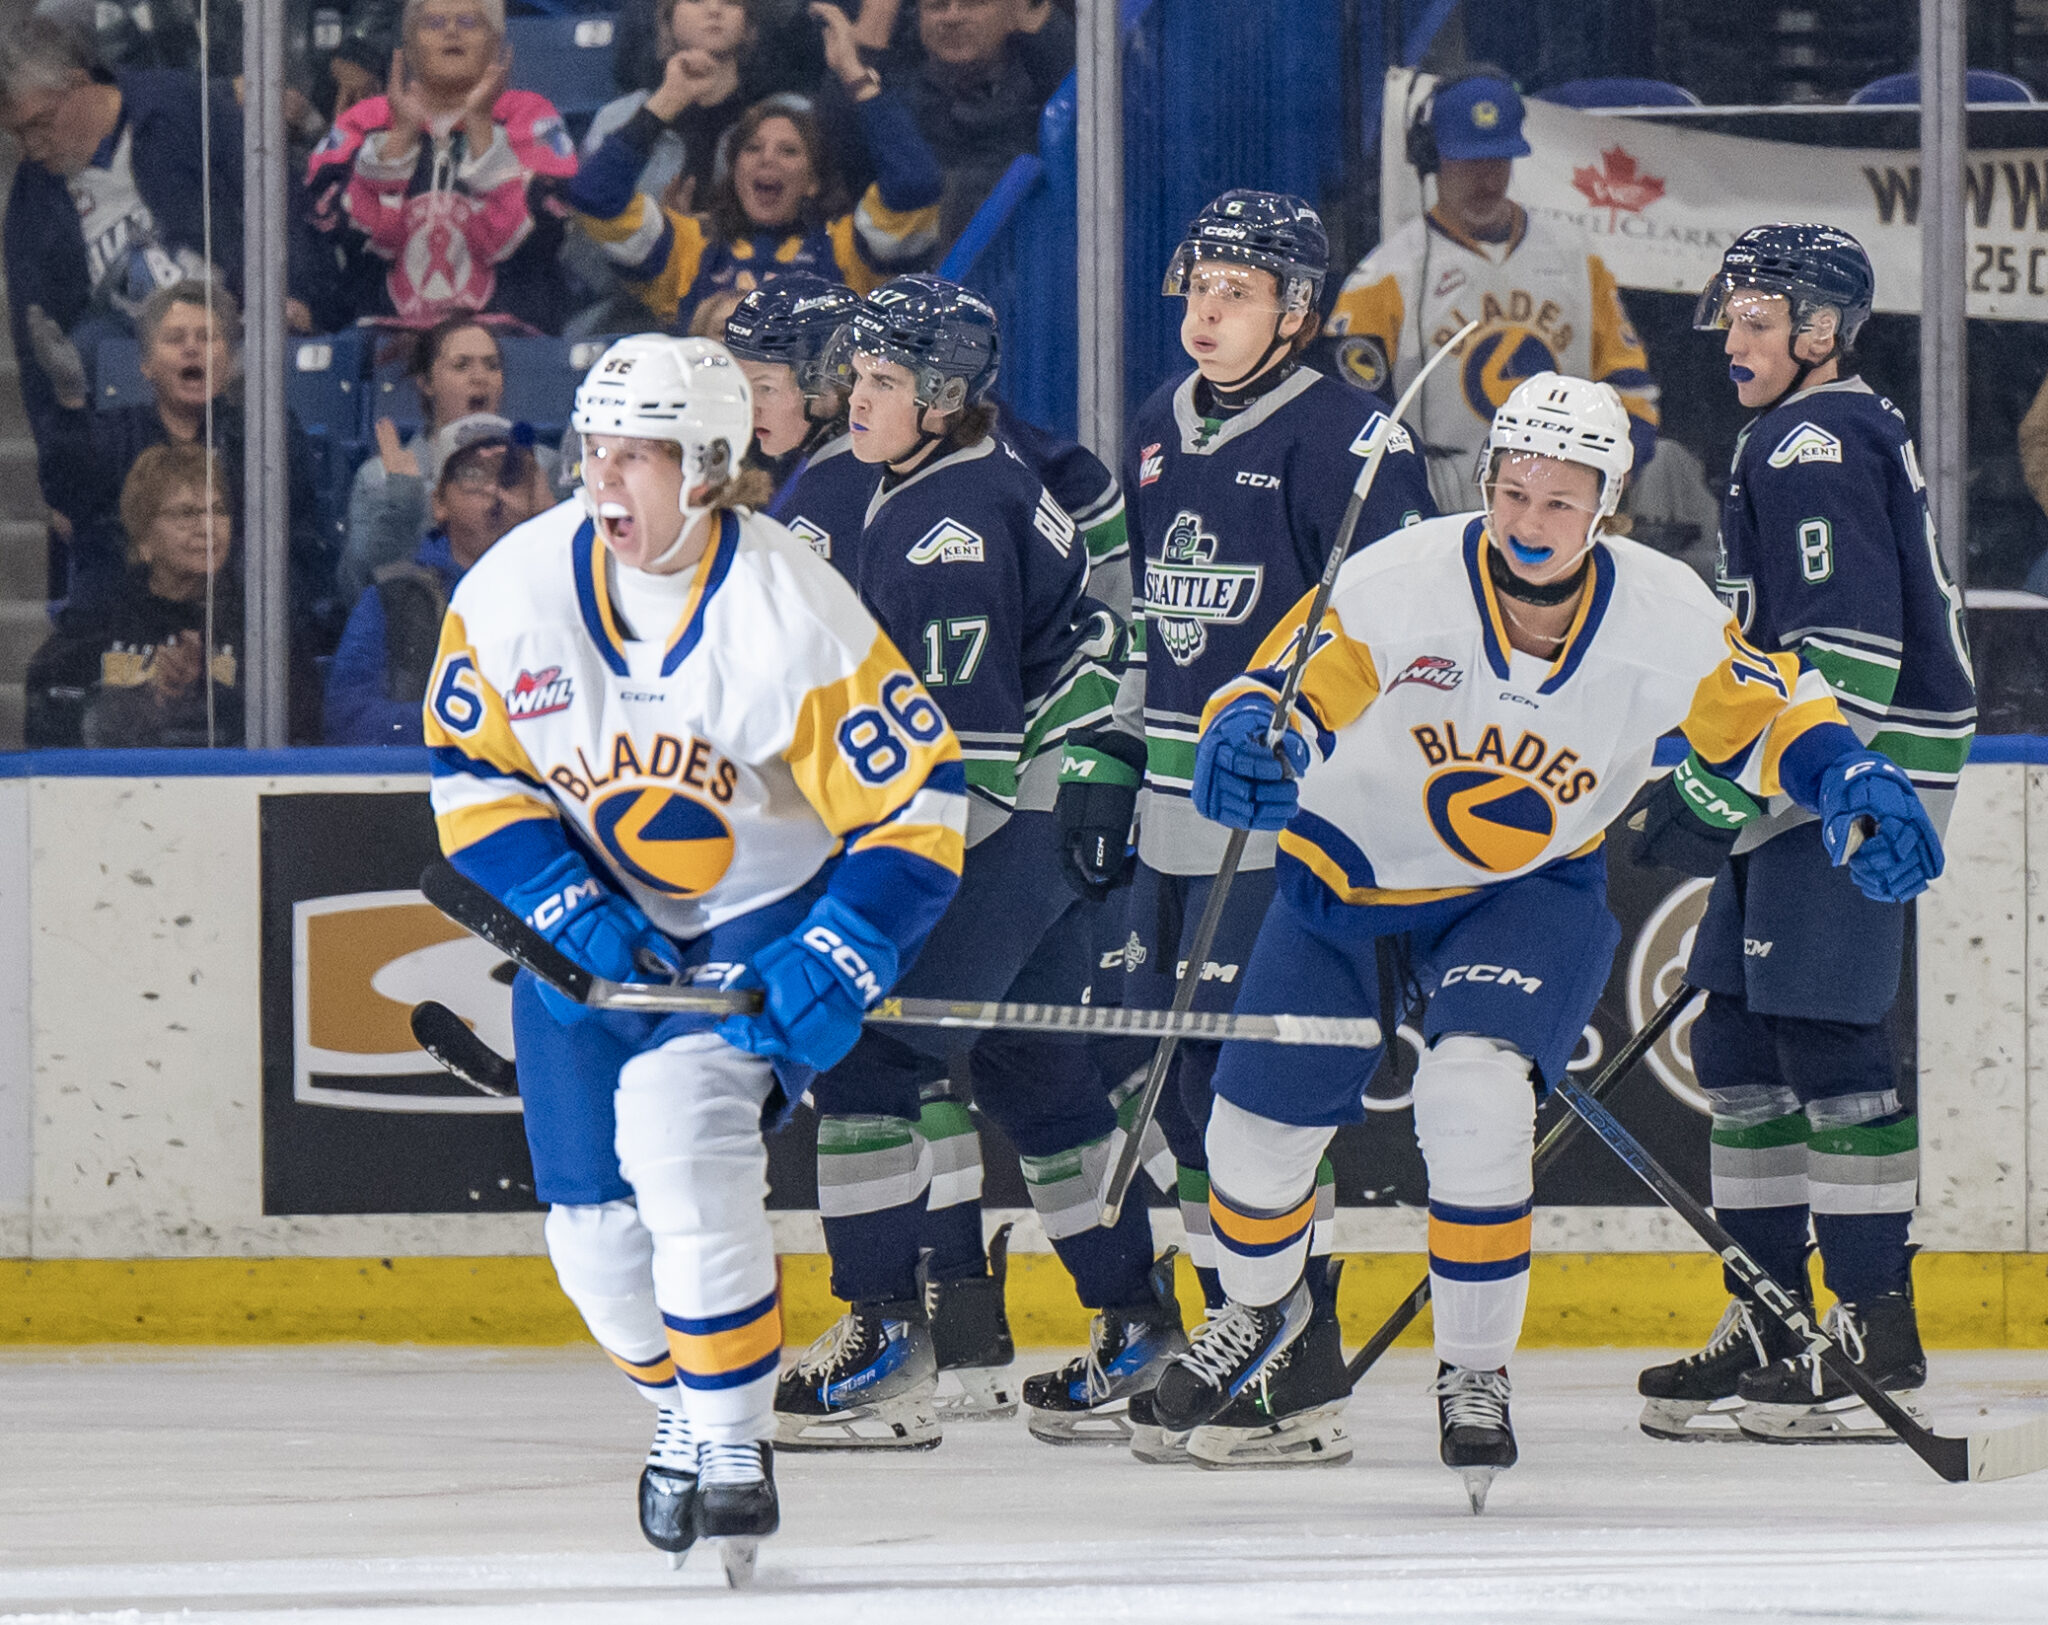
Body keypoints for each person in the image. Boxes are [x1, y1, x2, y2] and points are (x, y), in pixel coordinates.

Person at [1153, 371, 1945, 1509]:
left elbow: (1772, 713)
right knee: (1248, 1144)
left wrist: (1853, 777)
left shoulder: (1662, 612)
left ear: (1607, 505)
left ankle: (1472, 1371)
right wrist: (1247, 735)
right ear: (1485, 484)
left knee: (1471, 1098)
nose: (1530, 522)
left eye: (1560, 501)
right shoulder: (1397, 581)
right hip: (1341, 882)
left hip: (1520, 892)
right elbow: (1286, 686)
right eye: (1512, 492)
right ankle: (1258, 1310)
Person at [424, 334, 965, 1570]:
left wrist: (839, 945)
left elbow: (918, 807)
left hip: (750, 917)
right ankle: (686, 1394)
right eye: (595, 448)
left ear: (712, 466)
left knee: (682, 1134)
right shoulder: (512, 594)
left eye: (643, 454)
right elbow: (474, 777)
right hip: (589, 932)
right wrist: (557, 902)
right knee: (594, 1246)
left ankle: (731, 1436)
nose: (607, 478)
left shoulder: (790, 609)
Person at [1057, 189, 1434, 1464]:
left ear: (1300, 313)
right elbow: (1149, 624)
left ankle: (1294, 1353)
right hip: (1168, 821)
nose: (1204, 314)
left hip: (1289, 832)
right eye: (1197, 289)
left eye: (1236, 293)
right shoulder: (1158, 428)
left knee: (1251, 1099)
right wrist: (1110, 751)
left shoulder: (1355, 440)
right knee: (1169, 1096)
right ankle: (1244, 1327)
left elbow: (1401, 645)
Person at [769, 275, 1169, 1452]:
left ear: (943, 398)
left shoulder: (957, 521)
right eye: (859, 375)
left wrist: (867, 890)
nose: (857, 397)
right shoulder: (920, 480)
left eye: (886, 381)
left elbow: (964, 771)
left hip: (1003, 814)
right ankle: (1136, 1325)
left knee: (866, 1049)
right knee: (1038, 1074)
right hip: (1029, 809)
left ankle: (886, 1338)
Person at [1633, 225, 1977, 1445]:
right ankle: (1774, 1311)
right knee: (1735, 1042)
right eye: (1726, 317)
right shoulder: (1794, 431)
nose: (1730, 337)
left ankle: (1875, 1320)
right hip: (1804, 764)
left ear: (1820, 330)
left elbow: (1846, 656)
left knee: (1825, 1041)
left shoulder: (1813, 440)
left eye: (1754, 318)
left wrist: (1729, 791)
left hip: (1851, 775)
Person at [0, 17, 329, 568]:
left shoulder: (184, 110)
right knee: (80, 349)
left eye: (43, 123)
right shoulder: (33, 204)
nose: (34, 148)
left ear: (80, 82)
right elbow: (40, 349)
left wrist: (300, 294)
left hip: (233, 322)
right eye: (18, 136)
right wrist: (58, 479)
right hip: (128, 383)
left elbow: (277, 207)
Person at [1326, 69, 1659, 512]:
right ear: (1433, 159)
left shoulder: (1576, 256)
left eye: (1497, 160)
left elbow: (1629, 382)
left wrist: (1621, 465)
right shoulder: (1386, 276)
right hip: (1434, 501)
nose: (1486, 180)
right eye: (1469, 162)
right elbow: (1345, 412)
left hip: (1558, 499)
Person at [569, 52, 942, 336]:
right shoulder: (687, 247)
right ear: (733, 172)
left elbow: (915, 184)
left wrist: (857, 79)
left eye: (789, 151)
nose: (768, 160)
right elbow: (595, 194)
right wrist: (669, 98)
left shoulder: (848, 246)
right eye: (752, 149)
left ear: (814, 181)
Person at [35, 281, 333, 616]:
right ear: (146, 364)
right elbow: (67, 494)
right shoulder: (114, 432)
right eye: (175, 338)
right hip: (131, 620)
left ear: (229, 360)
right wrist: (71, 398)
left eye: (207, 337)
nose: (192, 348)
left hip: (236, 618)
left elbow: (295, 540)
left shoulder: (262, 433)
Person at [305, 0, 578, 331]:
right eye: (433, 24)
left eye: (468, 22)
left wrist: (480, 126)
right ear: (409, 46)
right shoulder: (365, 121)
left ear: (496, 44)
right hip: (385, 339)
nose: (451, 31)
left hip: (506, 343)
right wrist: (399, 141)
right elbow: (329, 224)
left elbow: (542, 237)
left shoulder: (532, 117)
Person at [25, 442, 315, 746]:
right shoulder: (102, 619)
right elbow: (47, 715)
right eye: (186, 513)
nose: (207, 527)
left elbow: (301, 732)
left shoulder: (261, 625)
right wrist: (149, 698)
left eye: (218, 511)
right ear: (143, 539)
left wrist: (204, 689)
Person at [323, 413, 552, 745]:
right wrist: (468, 719)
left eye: (510, 476)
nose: (494, 489)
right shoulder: (391, 598)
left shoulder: (562, 593)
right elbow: (348, 722)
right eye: (472, 475)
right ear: (439, 503)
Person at [816, 0, 1074, 251]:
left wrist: (1044, 32)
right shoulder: (897, 96)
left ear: (1012, 12)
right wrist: (866, 53)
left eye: (973, 4)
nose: (952, 18)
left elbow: (1086, 120)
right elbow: (847, 147)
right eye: (937, 6)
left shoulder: (1045, 90)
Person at [341, 316, 559, 604]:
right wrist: (400, 506)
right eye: (461, 365)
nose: (480, 376)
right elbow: (355, 589)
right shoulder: (380, 476)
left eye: (492, 365)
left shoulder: (542, 466)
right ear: (427, 383)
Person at [719, 271, 864, 511]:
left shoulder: (842, 492)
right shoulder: (833, 468)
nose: (750, 410)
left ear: (830, 380)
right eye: (744, 388)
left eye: (766, 388)